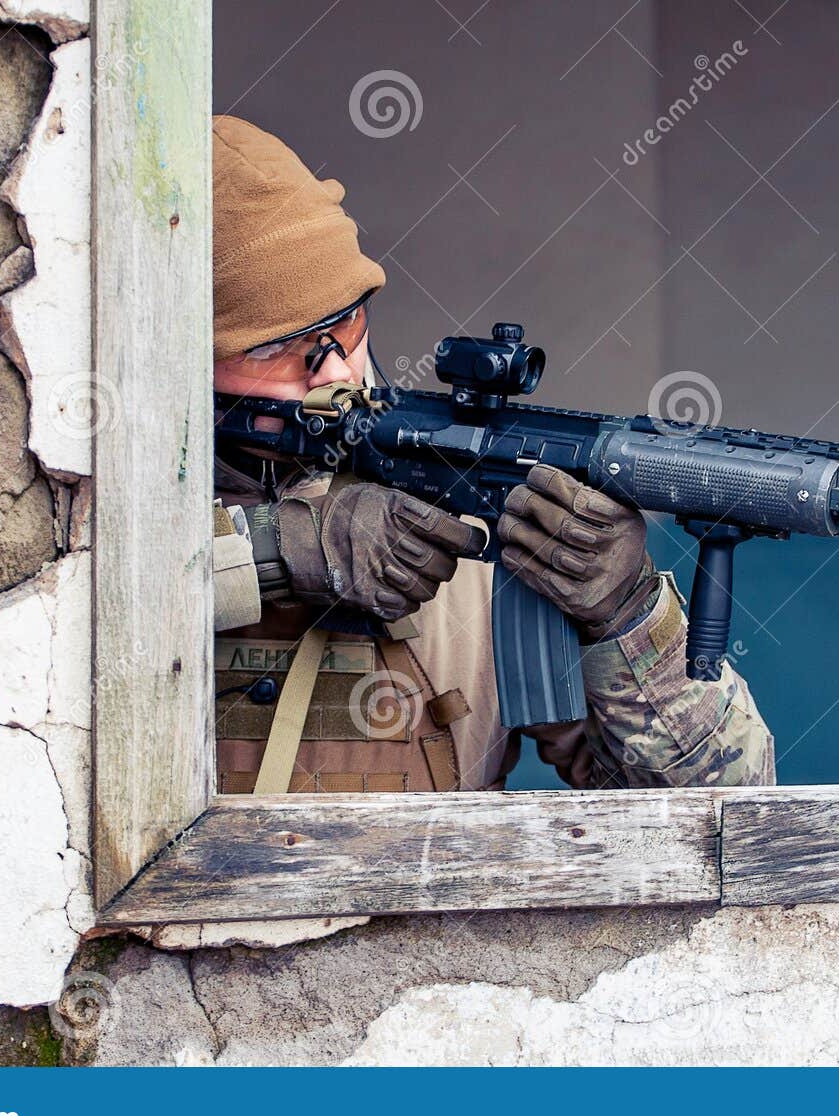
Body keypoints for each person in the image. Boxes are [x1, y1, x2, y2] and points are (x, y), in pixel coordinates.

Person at [209, 114, 774, 793]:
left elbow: (729, 802)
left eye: (348, 325)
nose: (333, 373)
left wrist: (626, 615)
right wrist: (278, 547)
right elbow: (64, 642)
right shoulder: (109, 519)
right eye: (275, 348)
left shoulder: (463, 521)